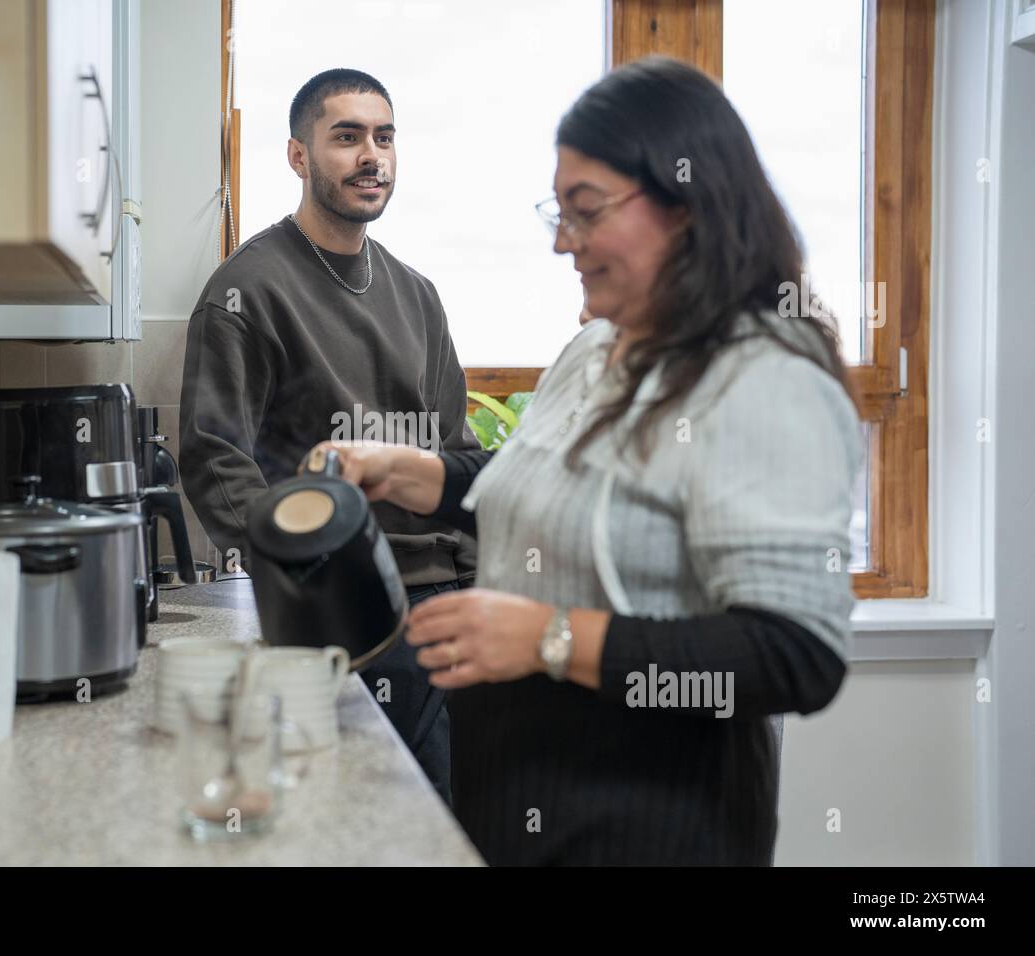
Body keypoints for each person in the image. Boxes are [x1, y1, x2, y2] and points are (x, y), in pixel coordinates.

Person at [306, 57, 863, 865]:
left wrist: (550, 639)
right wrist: (413, 473)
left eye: (587, 211)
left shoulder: (763, 381)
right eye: (557, 212)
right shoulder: (600, 344)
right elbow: (551, 493)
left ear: (686, 205)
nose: (564, 242)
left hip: (651, 829)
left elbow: (796, 655)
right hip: (526, 806)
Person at [179, 69, 479, 803]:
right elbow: (216, 461)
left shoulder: (418, 294)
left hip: (448, 612)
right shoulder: (246, 291)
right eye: (346, 137)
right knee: (376, 829)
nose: (370, 156)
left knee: (457, 829)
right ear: (298, 156)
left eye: (383, 136)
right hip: (346, 628)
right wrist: (307, 585)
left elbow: (458, 452)